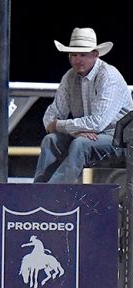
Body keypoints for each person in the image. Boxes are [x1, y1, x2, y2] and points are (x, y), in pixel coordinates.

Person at [33, 27, 133, 184]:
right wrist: (74, 131)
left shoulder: (108, 76)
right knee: (50, 140)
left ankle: (50, 197)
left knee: (81, 144)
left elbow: (97, 123)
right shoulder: (70, 77)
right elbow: (50, 118)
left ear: (95, 55)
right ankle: (35, 193)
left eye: (83, 55)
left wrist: (61, 125)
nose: (77, 59)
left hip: (121, 140)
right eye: (73, 54)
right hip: (89, 136)